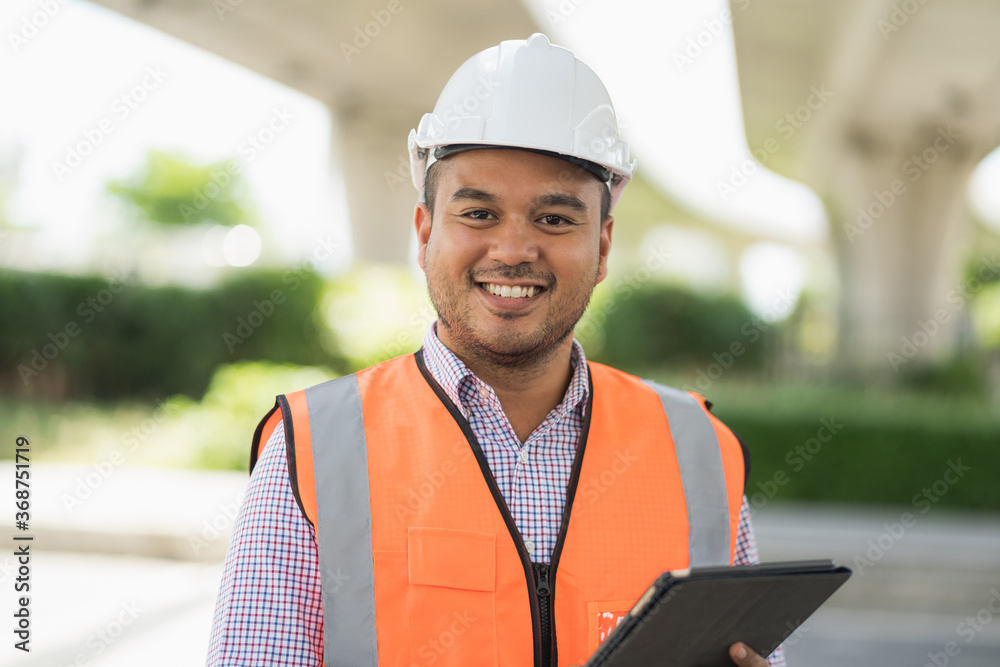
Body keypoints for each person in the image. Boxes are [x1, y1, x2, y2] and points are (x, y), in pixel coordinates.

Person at [207, 33, 786, 667]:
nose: (514, 250)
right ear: (425, 232)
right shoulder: (315, 450)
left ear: (604, 246)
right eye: (479, 213)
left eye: (556, 219)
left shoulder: (697, 451)